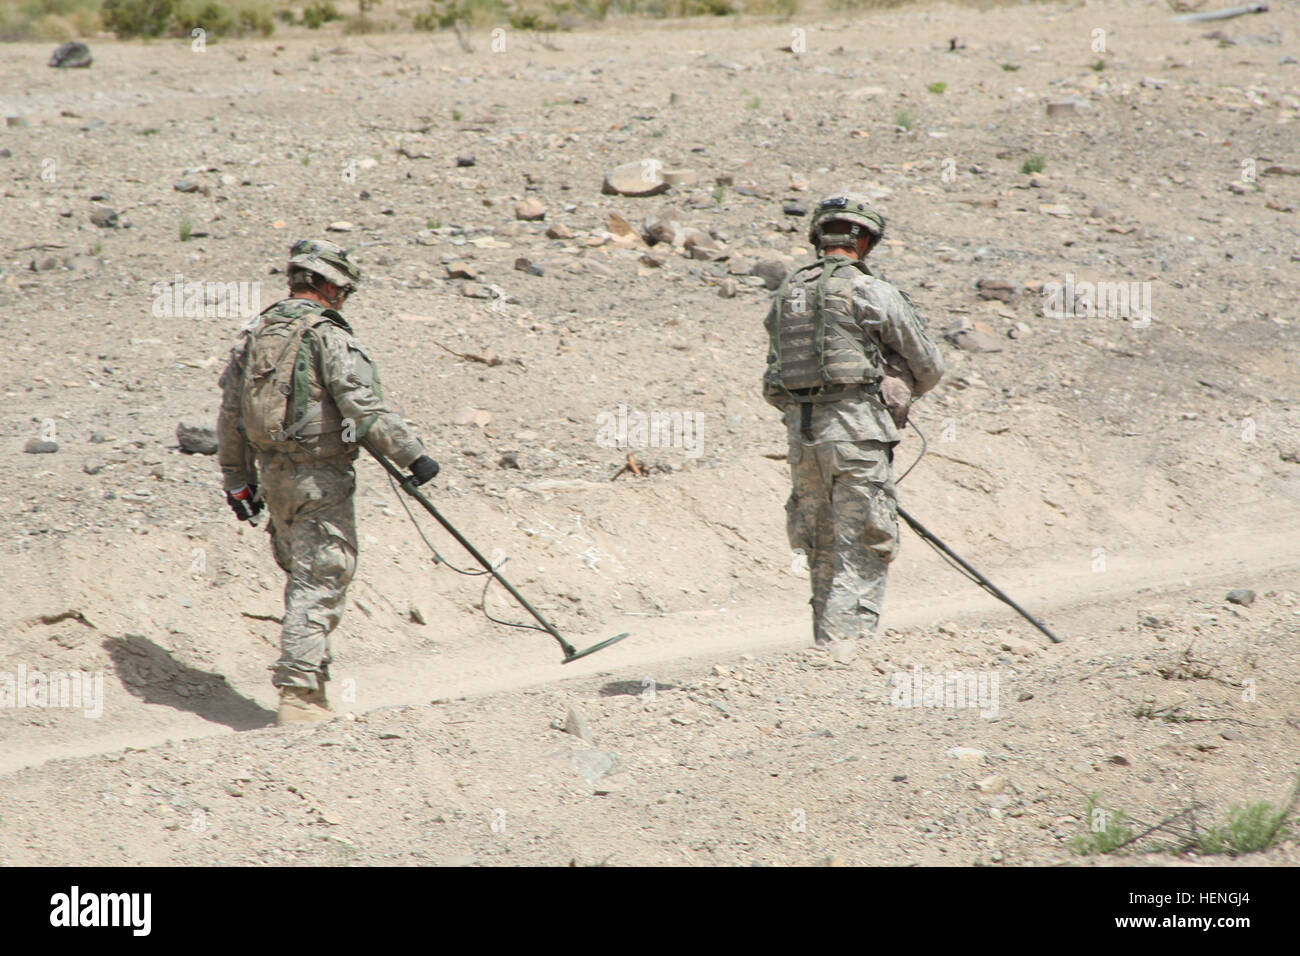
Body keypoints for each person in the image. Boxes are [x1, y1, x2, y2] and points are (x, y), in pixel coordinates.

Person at [216, 239, 440, 724]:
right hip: (318, 478)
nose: (343, 299)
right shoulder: (325, 334)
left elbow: (231, 414)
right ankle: (298, 697)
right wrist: (414, 455)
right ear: (321, 284)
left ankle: (314, 689)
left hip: (271, 478)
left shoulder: (255, 335)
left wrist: (237, 481)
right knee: (321, 578)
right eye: (341, 290)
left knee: (305, 578)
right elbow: (363, 405)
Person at [763, 194, 944, 649]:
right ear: (863, 240)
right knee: (862, 547)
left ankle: (826, 652)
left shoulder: (786, 295)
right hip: (857, 436)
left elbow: (772, 384)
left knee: (821, 548)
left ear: (819, 237)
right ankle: (846, 657)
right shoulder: (871, 291)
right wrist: (894, 391)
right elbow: (929, 366)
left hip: (803, 441)